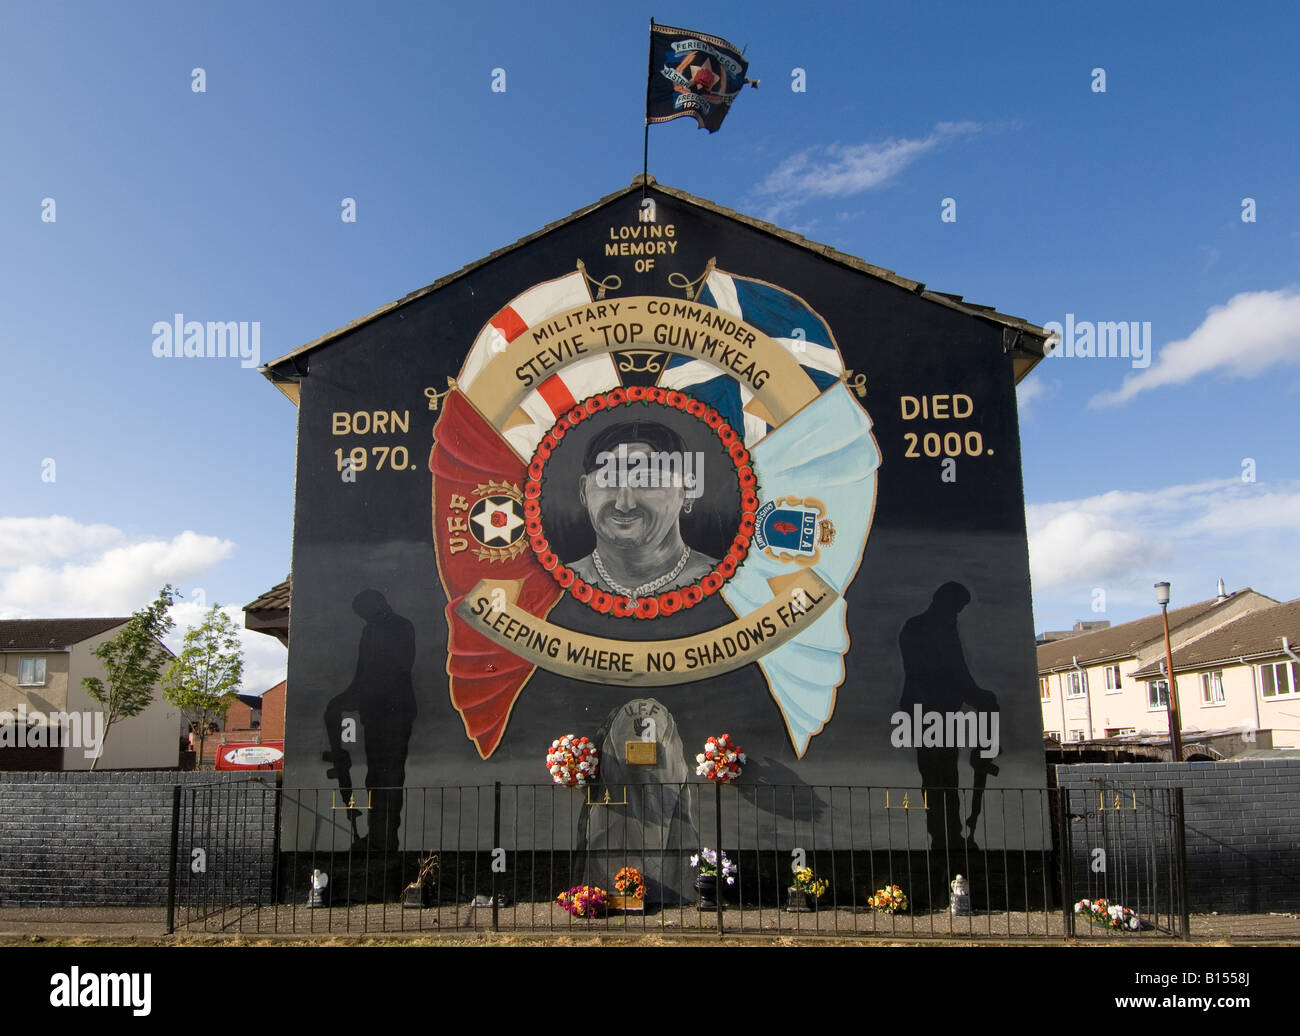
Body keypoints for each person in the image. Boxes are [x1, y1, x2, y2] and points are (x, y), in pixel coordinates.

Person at [897, 582, 1000, 849]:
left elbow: (959, 674)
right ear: (942, 602)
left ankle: (950, 834)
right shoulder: (919, 628)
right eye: (955, 609)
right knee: (935, 776)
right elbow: (932, 674)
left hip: (941, 712)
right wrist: (973, 696)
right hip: (926, 712)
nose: (956, 615)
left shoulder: (942, 628)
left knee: (947, 776)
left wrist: (980, 698)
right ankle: (944, 836)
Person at [568, 420, 716, 599]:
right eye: (609, 481)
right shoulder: (557, 587)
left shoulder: (728, 585)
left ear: (688, 491)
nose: (624, 504)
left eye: (647, 481)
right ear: (584, 491)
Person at [322, 589, 416, 851]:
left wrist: (353, 697)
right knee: (377, 776)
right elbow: (363, 676)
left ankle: (384, 839)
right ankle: (378, 836)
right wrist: (347, 700)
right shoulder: (373, 629)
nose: (366, 619)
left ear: (378, 605)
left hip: (394, 712)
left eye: (366, 613)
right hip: (375, 711)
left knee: (388, 777)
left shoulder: (398, 628)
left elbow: (393, 670)